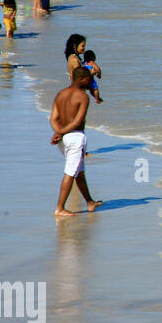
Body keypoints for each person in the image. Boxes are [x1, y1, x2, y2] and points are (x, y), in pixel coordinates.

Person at [50, 67, 102, 217]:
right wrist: (62, 132)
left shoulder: (60, 94)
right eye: (88, 79)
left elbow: (53, 118)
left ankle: (90, 202)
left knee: (79, 171)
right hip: (75, 137)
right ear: (80, 80)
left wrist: (59, 132)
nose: (91, 82)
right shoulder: (83, 97)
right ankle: (60, 208)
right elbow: (78, 121)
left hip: (63, 138)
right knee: (71, 173)